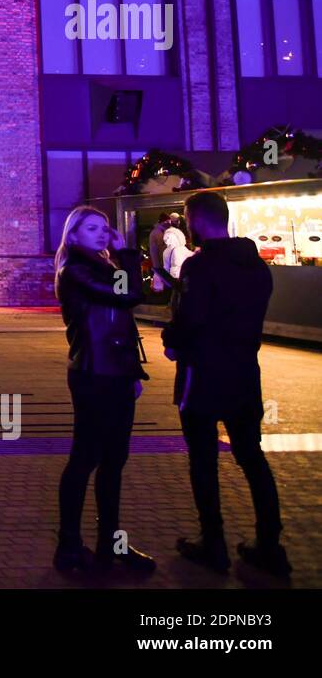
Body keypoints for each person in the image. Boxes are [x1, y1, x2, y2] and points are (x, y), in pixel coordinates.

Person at [164, 191, 288, 577]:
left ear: (196, 220)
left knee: (203, 459)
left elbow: (191, 319)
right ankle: (269, 543)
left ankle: (212, 541)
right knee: (252, 456)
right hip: (244, 373)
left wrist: (173, 343)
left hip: (202, 375)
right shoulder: (256, 267)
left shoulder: (199, 268)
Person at [52, 205, 155, 574]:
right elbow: (128, 296)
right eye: (92, 228)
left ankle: (111, 544)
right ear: (74, 234)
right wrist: (127, 253)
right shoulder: (76, 270)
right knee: (85, 459)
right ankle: (69, 545)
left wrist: (132, 373)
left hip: (116, 374)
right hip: (94, 375)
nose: (101, 232)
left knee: (114, 462)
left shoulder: (102, 267)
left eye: (105, 227)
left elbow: (121, 326)